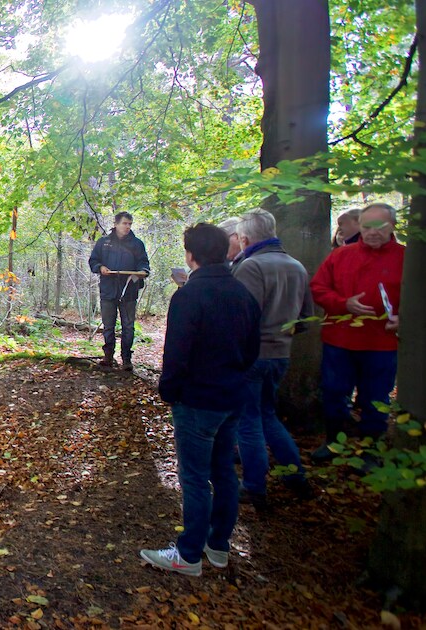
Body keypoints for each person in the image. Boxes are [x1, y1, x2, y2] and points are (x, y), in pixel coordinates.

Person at [141, 223, 261, 576]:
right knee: (222, 471)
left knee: (194, 477)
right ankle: (218, 544)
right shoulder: (242, 293)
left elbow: (176, 352)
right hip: (231, 396)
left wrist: (169, 390)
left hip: (198, 399)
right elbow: (252, 350)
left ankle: (189, 553)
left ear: (190, 255)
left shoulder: (189, 295)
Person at [230, 209, 315, 507]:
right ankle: (295, 476)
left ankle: (254, 485)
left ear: (244, 239)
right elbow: (305, 318)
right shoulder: (296, 266)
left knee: (248, 420)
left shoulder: (251, 266)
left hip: (253, 356)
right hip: (280, 355)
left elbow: (242, 317)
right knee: (267, 415)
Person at [310, 203, 403, 462]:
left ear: (392, 225)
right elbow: (318, 288)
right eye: (366, 226)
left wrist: (404, 319)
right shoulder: (341, 255)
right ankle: (334, 443)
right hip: (340, 340)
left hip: (382, 343)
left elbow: (424, 299)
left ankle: (370, 453)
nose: (372, 232)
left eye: (379, 226)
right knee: (333, 393)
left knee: (375, 399)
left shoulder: (407, 258)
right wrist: (344, 304)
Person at [88, 211, 150, 370]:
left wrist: (143, 271)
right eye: (124, 223)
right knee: (108, 326)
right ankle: (108, 356)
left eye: (130, 224)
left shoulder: (137, 244)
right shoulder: (104, 242)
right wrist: (100, 267)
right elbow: (93, 261)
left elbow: (144, 263)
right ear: (116, 224)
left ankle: (126, 359)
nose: (127, 227)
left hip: (129, 291)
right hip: (108, 290)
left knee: (128, 326)